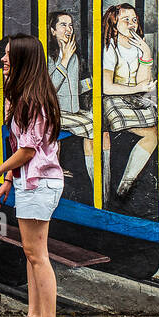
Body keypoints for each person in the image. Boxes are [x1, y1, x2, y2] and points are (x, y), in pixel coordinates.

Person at [0, 33, 63, 317]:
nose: (3, 59)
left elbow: (28, 150)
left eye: (9, 54)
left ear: (23, 60)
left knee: (38, 254)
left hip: (40, 182)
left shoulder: (32, 99)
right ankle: (34, 316)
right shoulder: (24, 95)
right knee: (31, 253)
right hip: (30, 182)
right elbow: (23, 145)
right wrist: (9, 181)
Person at [101, 4, 157, 199]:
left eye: (134, 20)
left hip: (134, 99)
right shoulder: (110, 48)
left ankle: (125, 186)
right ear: (114, 25)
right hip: (113, 100)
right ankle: (120, 190)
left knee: (154, 134)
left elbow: (144, 82)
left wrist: (146, 54)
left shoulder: (138, 47)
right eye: (126, 20)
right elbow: (107, 87)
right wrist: (137, 88)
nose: (132, 24)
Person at [47, 10, 108, 186]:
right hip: (52, 112)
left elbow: (75, 87)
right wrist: (64, 60)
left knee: (103, 126)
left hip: (71, 111)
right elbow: (49, 89)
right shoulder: (47, 56)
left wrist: (96, 83)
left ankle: (104, 179)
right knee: (92, 127)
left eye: (71, 25)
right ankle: (97, 183)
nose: (69, 29)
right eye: (63, 25)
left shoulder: (73, 55)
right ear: (53, 31)